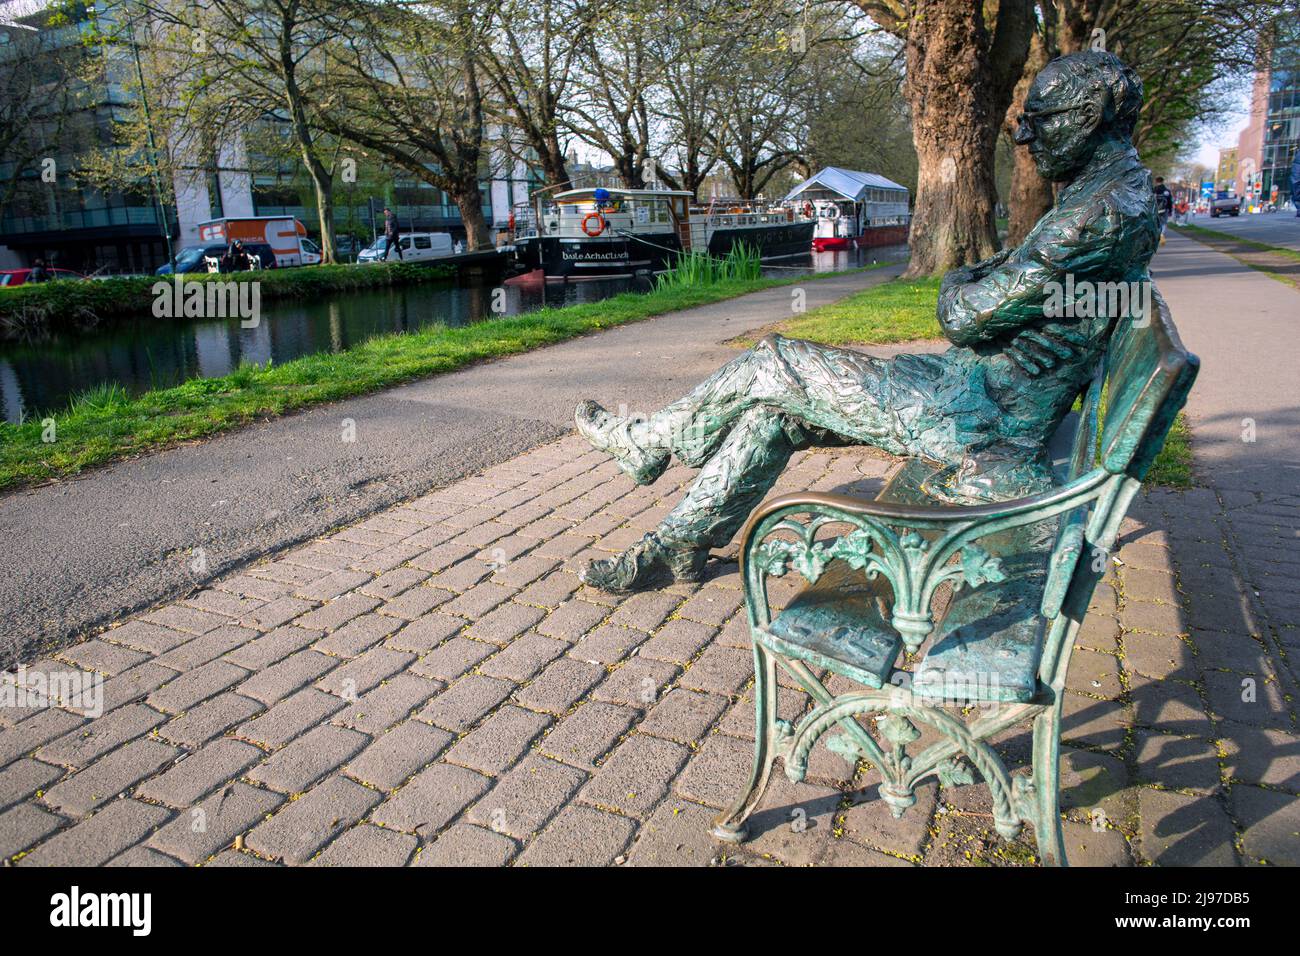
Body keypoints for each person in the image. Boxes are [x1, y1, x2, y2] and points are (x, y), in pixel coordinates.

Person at [573, 50, 1159, 593]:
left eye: (1040, 120)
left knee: (772, 360)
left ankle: (647, 443)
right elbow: (984, 283)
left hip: (977, 425)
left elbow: (964, 313)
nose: (1026, 136)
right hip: (978, 396)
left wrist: (962, 284)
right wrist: (972, 282)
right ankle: (676, 544)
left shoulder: (1096, 213)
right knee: (773, 411)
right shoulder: (1113, 195)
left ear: (1085, 116)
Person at [1153, 176, 1173, 243]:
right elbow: (1170, 201)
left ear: (1156, 181)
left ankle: (1157, 234)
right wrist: (1170, 211)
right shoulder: (1166, 191)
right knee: (1163, 223)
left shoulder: (1153, 190)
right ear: (1162, 181)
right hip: (1165, 209)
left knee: (1156, 222)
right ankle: (1162, 234)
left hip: (1155, 210)